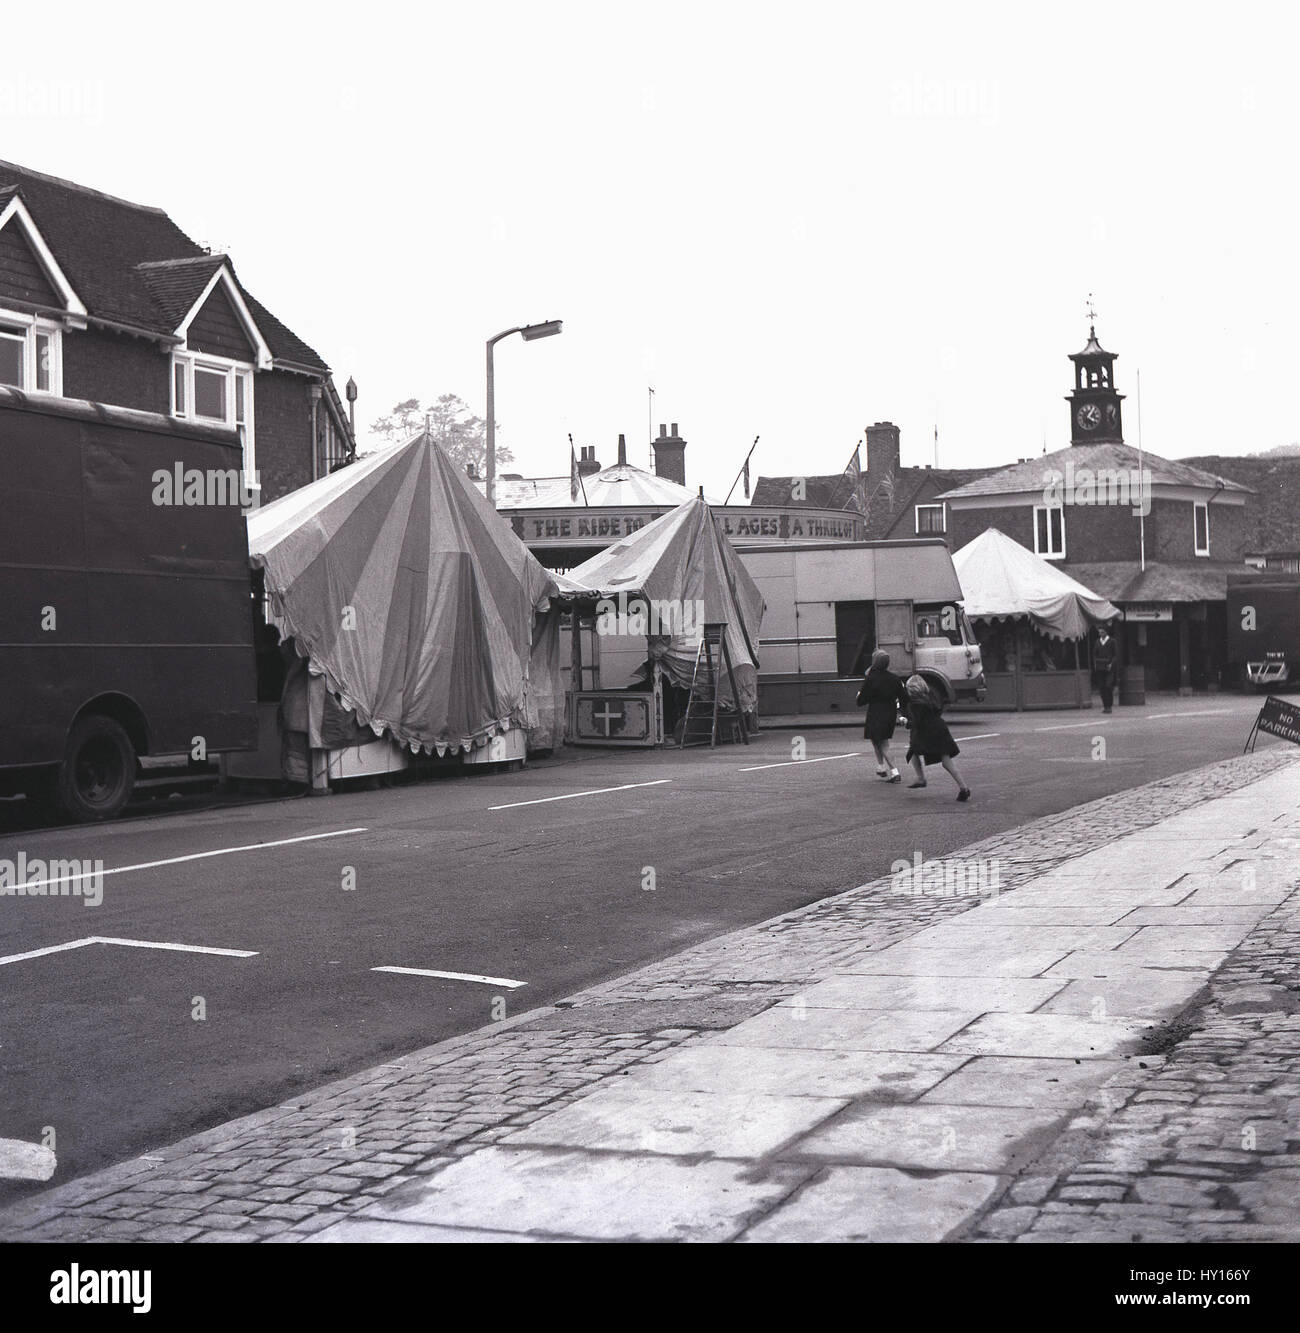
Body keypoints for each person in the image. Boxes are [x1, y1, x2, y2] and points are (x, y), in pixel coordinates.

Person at [904, 674, 971, 801]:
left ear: (912, 689)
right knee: (946, 761)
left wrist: (906, 722)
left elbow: (917, 722)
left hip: (928, 732)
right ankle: (964, 787)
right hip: (940, 728)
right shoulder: (931, 698)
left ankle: (921, 778)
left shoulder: (914, 704)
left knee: (913, 751)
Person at [856, 649, 907, 782]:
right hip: (890, 713)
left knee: (882, 743)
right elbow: (904, 698)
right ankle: (880, 767)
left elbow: (861, 701)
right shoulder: (895, 679)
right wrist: (903, 714)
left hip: (876, 713)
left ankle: (895, 772)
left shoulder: (871, 678)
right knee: (877, 739)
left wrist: (859, 696)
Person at [1094, 625, 1118, 714]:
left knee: (1108, 686)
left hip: (1109, 667)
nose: (1100, 633)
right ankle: (1105, 706)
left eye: (1102, 632)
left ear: (1106, 632)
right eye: (1099, 632)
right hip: (1100, 667)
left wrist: (1111, 663)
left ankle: (1109, 705)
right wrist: (1095, 664)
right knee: (1101, 687)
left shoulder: (1112, 641)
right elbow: (1095, 654)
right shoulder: (1097, 642)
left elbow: (1115, 655)